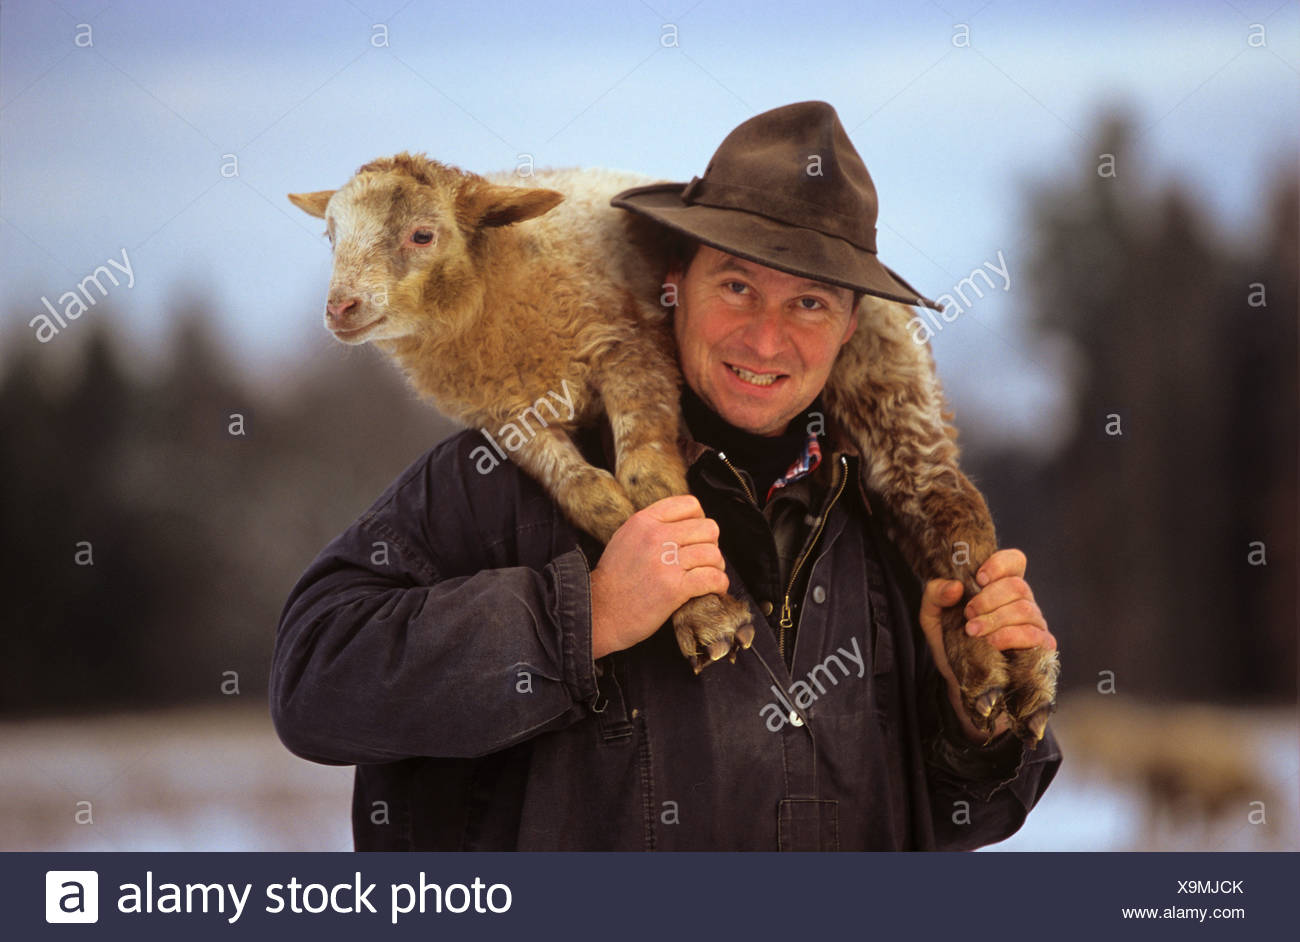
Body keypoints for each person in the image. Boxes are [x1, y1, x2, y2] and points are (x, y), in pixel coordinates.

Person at [270, 101, 1061, 851]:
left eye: (810, 304)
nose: (765, 338)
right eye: (737, 286)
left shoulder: (877, 528)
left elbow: (956, 821)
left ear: (851, 324)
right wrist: (580, 619)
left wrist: (973, 724)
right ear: (674, 282)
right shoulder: (500, 479)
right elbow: (314, 685)